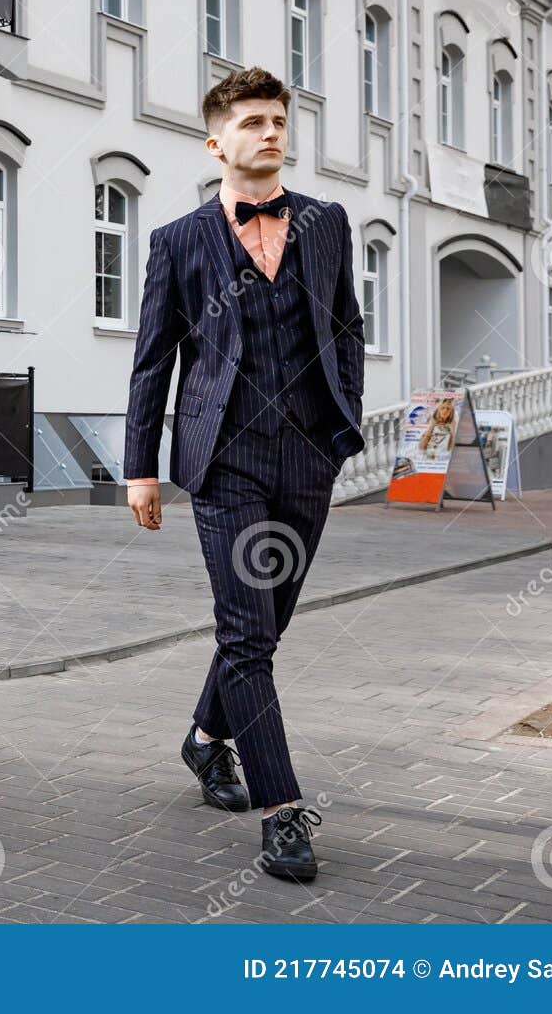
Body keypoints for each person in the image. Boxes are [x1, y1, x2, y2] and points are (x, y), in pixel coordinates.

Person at [123, 66, 365, 883]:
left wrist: (342, 426)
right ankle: (282, 812)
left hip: (309, 455)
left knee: (268, 622)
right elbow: (152, 361)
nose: (269, 133)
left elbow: (348, 328)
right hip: (224, 456)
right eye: (252, 122)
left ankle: (204, 737)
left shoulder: (327, 224)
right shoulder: (178, 241)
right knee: (248, 635)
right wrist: (139, 468)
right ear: (215, 142)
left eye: (277, 121)